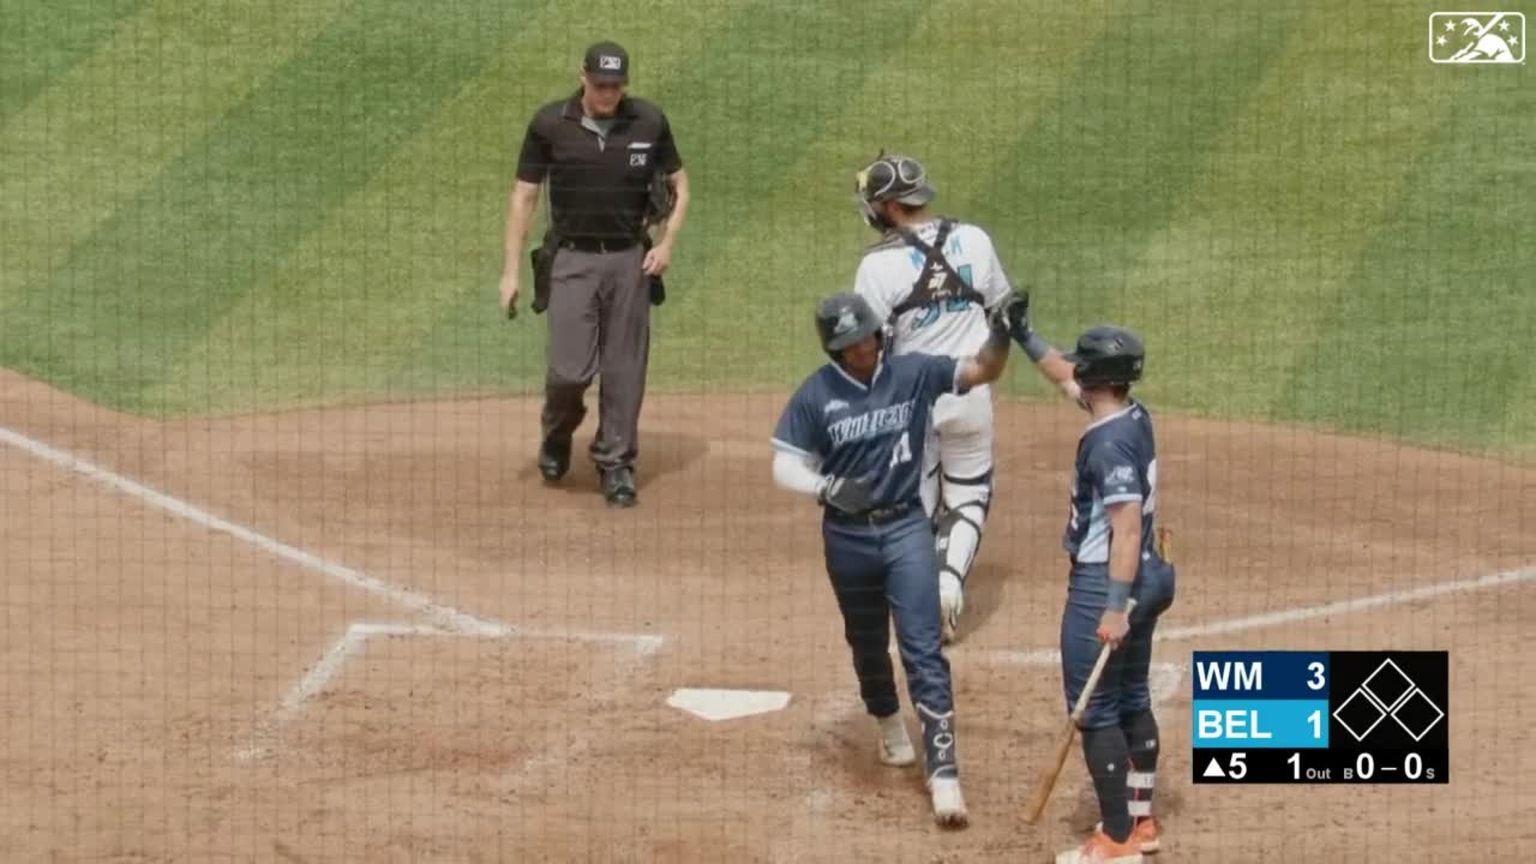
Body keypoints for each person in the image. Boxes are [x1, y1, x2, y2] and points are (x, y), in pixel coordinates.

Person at [769, 288, 1029, 827]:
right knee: (866, 643)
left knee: (923, 647)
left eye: (866, 338)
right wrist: (826, 486)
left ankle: (945, 773)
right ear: (836, 350)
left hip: (908, 527)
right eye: (851, 344)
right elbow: (784, 464)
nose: (863, 348)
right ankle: (888, 722)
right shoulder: (816, 395)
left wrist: (1001, 332)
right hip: (848, 539)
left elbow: (983, 370)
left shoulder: (912, 372)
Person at [851, 151, 1081, 643]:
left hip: (912, 400)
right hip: (972, 393)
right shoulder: (974, 240)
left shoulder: (876, 267)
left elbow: (867, 350)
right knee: (970, 495)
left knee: (915, 502)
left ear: (890, 207)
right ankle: (948, 583)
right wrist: (1061, 374)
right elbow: (1008, 317)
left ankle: (912, 598)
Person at [499, 40, 690, 507]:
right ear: (582, 75)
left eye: (617, 85)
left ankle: (616, 463)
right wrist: (510, 272)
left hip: (629, 261)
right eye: (601, 84)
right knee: (568, 371)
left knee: (625, 370)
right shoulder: (551, 124)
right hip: (572, 260)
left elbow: (680, 187)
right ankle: (558, 432)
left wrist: (667, 243)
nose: (608, 93)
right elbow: (523, 196)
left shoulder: (648, 120)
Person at [1043, 325, 1177, 864]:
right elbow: (1064, 378)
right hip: (1151, 575)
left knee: (1095, 711)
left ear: (1095, 377)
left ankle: (1116, 839)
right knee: (1132, 700)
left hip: (1107, 580)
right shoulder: (1130, 414)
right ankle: (1141, 822)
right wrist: (1023, 335)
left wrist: (1114, 607)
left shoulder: (1106, 444)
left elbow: (1124, 528)